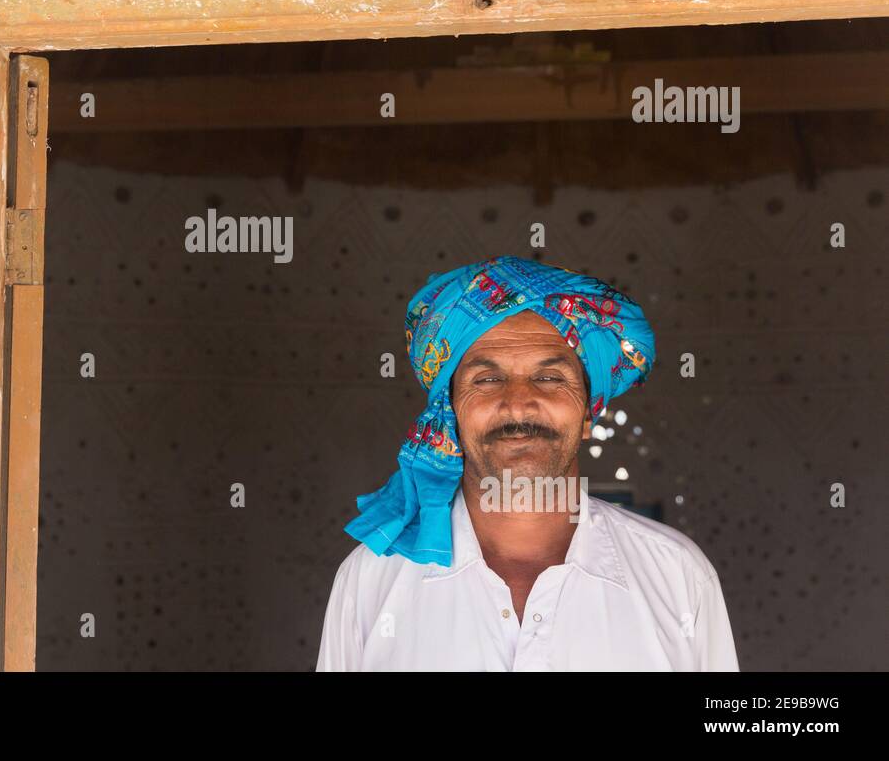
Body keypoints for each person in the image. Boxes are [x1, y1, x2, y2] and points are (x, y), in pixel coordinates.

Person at [316, 255, 738, 671]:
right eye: (488, 379)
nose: (518, 403)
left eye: (550, 378)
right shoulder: (371, 584)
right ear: (451, 415)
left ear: (588, 412)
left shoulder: (677, 578)